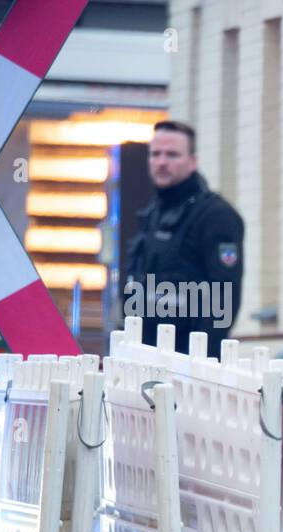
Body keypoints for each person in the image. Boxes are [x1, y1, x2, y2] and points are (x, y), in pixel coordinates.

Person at [123, 120, 244, 358]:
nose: (162, 162)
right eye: (155, 154)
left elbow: (224, 300)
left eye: (172, 155)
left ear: (193, 162)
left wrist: (200, 366)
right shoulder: (153, 213)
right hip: (145, 356)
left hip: (187, 363)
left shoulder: (215, 216)